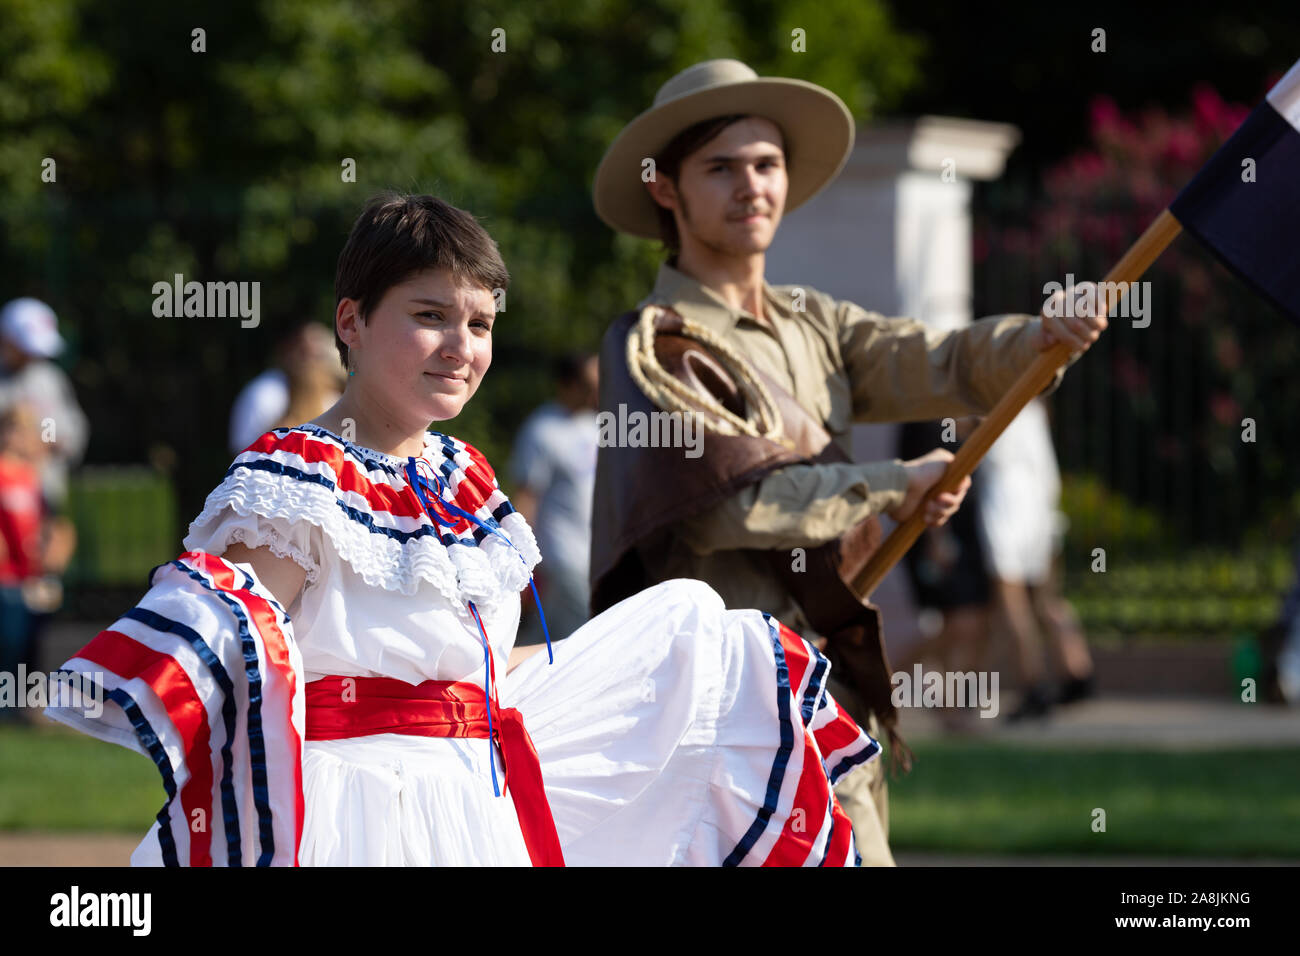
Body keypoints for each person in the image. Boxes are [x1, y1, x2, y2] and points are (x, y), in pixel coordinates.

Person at [43, 192, 879, 867]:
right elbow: (241, 648)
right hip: (349, 818)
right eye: (430, 315)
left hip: (472, 812)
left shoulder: (465, 481)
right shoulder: (296, 480)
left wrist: (677, 668)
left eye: (479, 323)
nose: (461, 346)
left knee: (691, 621)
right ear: (352, 323)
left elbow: (465, 669)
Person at [588, 59, 1108, 865]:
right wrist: (895, 486)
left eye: (766, 165)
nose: (751, 186)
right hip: (720, 708)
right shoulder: (652, 343)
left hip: (829, 693)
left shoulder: (816, 322)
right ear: (665, 189)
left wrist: (1039, 338)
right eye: (720, 168)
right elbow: (730, 505)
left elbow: (942, 362)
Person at [975, 398, 1095, 720]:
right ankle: (1076, 670)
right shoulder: (1036, 406)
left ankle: (1033, 684)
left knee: (1013, 601)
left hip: (1006, 502)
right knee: (1046, 598)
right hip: (1042, 501)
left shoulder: (990, 400)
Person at [508, 351, 600, 645]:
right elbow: (526, 499)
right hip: (563, 558)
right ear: (567, 384)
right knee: (578, 642)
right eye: (589, 383)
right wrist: (520, 563)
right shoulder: (541, 431)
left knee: (550, 640)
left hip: (596, 557)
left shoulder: (596, 424)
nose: (596, 390)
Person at [0, 297, 88, 509]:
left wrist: (43, 441)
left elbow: (70, 431)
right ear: (7, 339)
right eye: (24, 347)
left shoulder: (48, 380)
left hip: (42, 495)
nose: (30, 355)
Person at [228, 320, 344, 454]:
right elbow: (242, 454)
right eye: (304, 353)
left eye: (318, 356)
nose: (310, 363)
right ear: (287, 350)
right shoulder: (264, 393)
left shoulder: (334, 398)